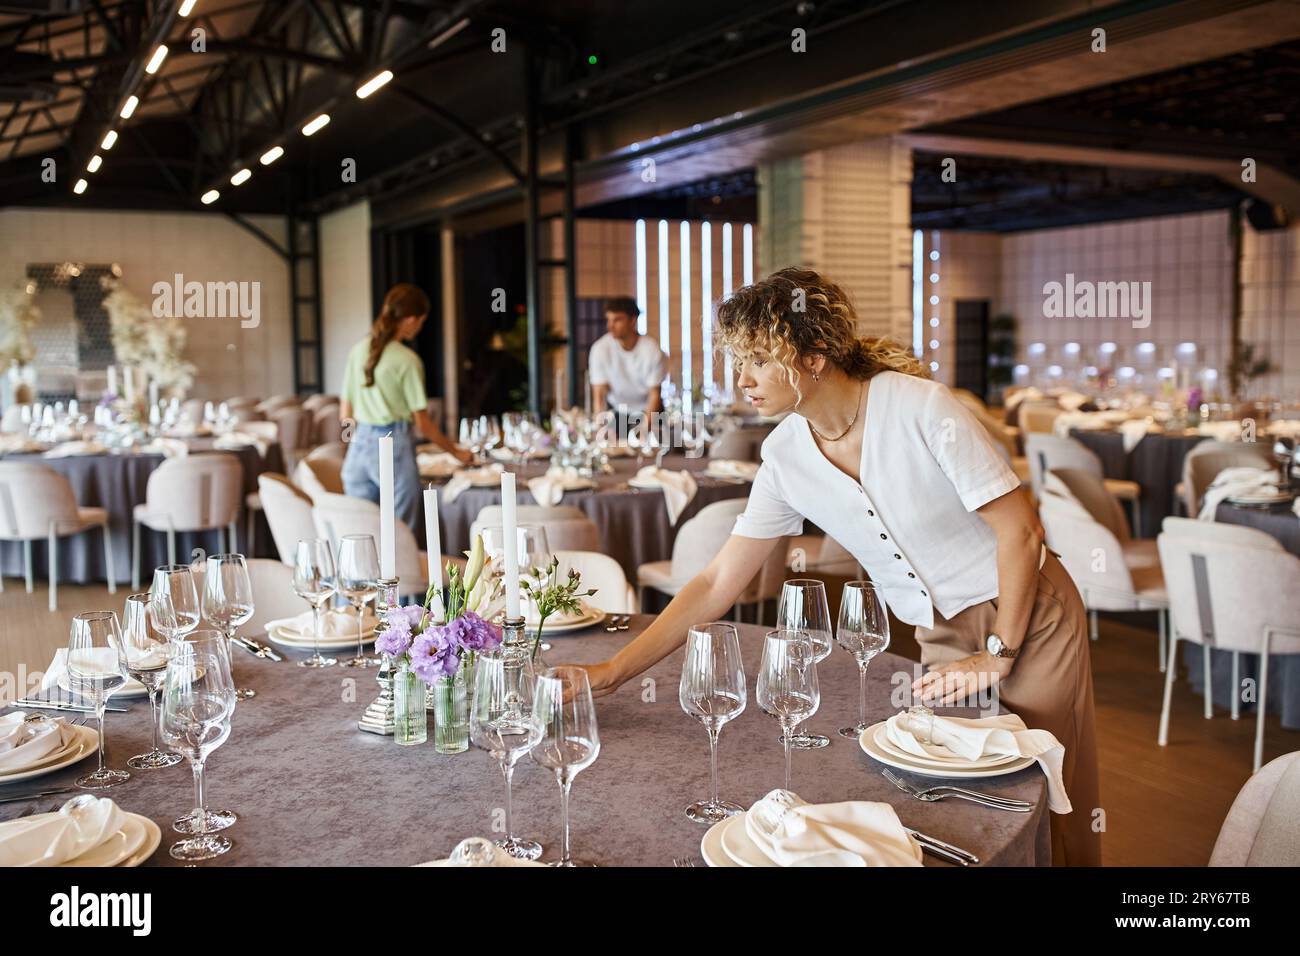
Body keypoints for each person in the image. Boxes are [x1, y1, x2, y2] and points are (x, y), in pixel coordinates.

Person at [578, 267, 1102, 867]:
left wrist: (999, 652)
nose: (741, 380)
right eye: (737, 361)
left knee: (1052, 785)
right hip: (938, 631)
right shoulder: (784, 455)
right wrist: (613, 672)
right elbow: (718, 580)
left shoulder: (920, 407)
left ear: (814, 358)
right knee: (959, 793)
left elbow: (1021, 530)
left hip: (1029, 614)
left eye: (757, 360)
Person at [339, 283, 469, 530]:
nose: (420, 328)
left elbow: (345, 412)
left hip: (358, 448)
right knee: (400, 531)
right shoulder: (408, 361)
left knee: (358, 529)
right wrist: (457, 452)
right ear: (410, 320)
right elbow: (424, 425)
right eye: (420, 321)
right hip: (393, 446)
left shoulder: (358, 350)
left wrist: (353, 444)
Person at [588, 296, 668, 417]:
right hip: (618, 411)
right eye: (608, 320)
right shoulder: (600, 349)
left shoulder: (651, 350)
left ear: (632, 321)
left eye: (617, 320)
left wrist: (644, 430)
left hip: (650, 411)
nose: (610, 326)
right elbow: (599, 395)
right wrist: (602, 428)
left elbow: (654, 395)